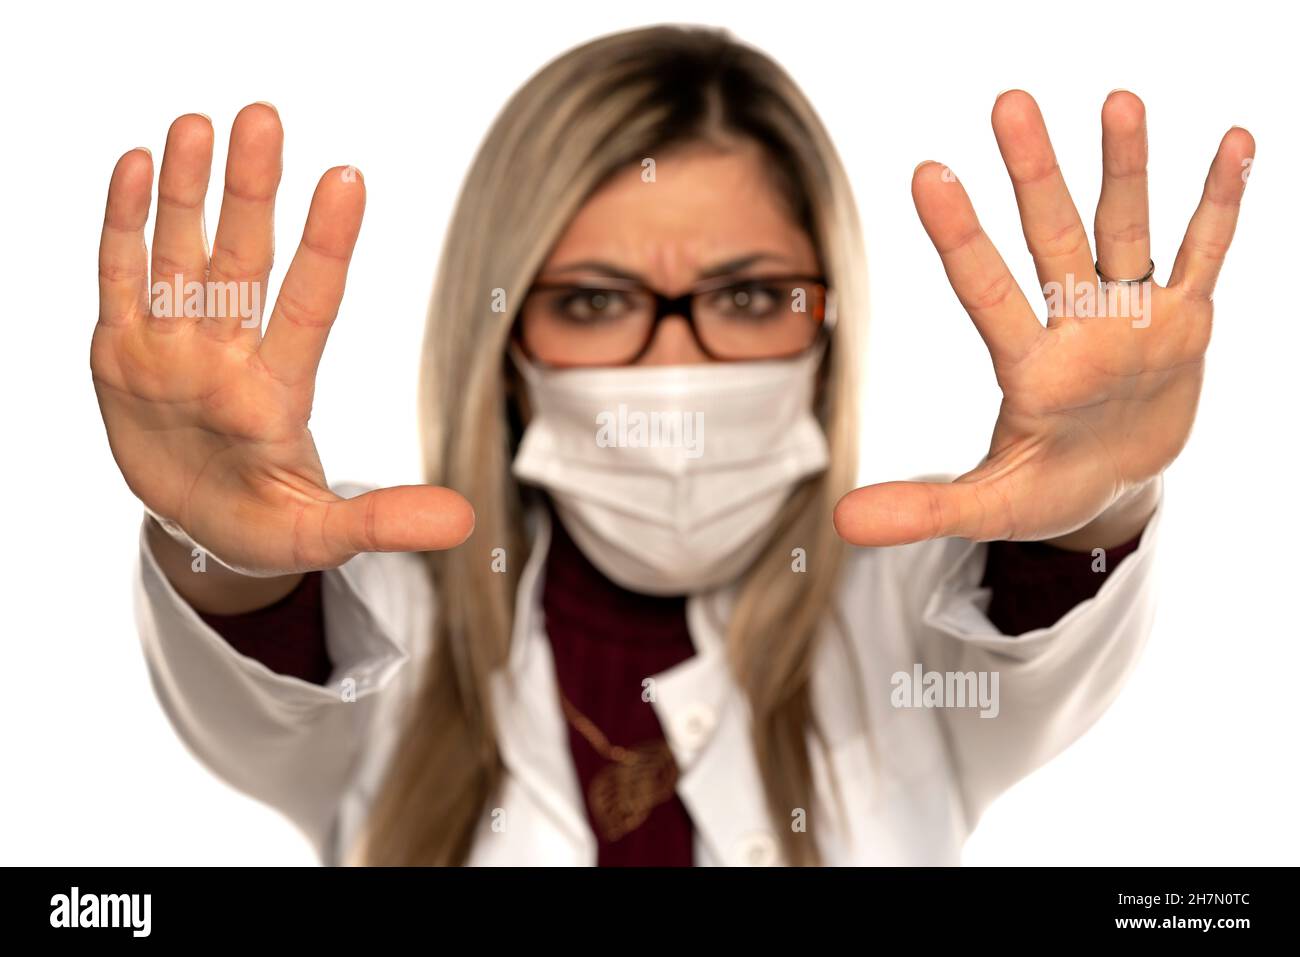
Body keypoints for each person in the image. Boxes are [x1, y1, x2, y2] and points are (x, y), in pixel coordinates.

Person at [91, 26, 1253, 865]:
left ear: (827, 316)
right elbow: (261, 670)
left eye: (748, 297)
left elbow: (1039, 618)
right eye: (595, 302)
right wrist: (226, 552)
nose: (672, 367)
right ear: (504, 338)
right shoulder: (380, 605)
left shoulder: (911, 610)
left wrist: (1100, 507)